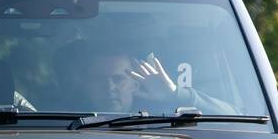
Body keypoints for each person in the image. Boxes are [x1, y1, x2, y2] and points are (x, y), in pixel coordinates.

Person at [58, 40, 233, 115]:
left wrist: (175, 94)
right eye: (98, 79)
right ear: (85, 84)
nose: (109, 86)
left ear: (135, 84)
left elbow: (235, 119)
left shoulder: (165, 120)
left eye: (118, 79)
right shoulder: (58, 120)